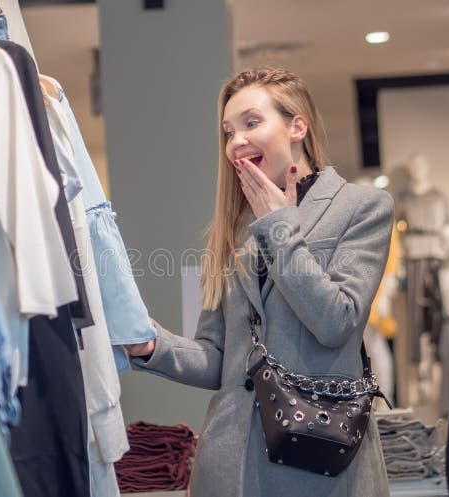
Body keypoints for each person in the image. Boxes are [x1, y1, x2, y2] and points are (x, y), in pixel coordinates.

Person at [125, 67, 393, 497]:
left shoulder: (363, 208)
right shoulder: (234, 224)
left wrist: (279, 225)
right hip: (230, 466)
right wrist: (153, 346)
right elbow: (221, 359)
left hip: (319, 464)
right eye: (229, 131)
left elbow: (337, 321)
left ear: (296, 126)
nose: (237, 141)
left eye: (251, 122)